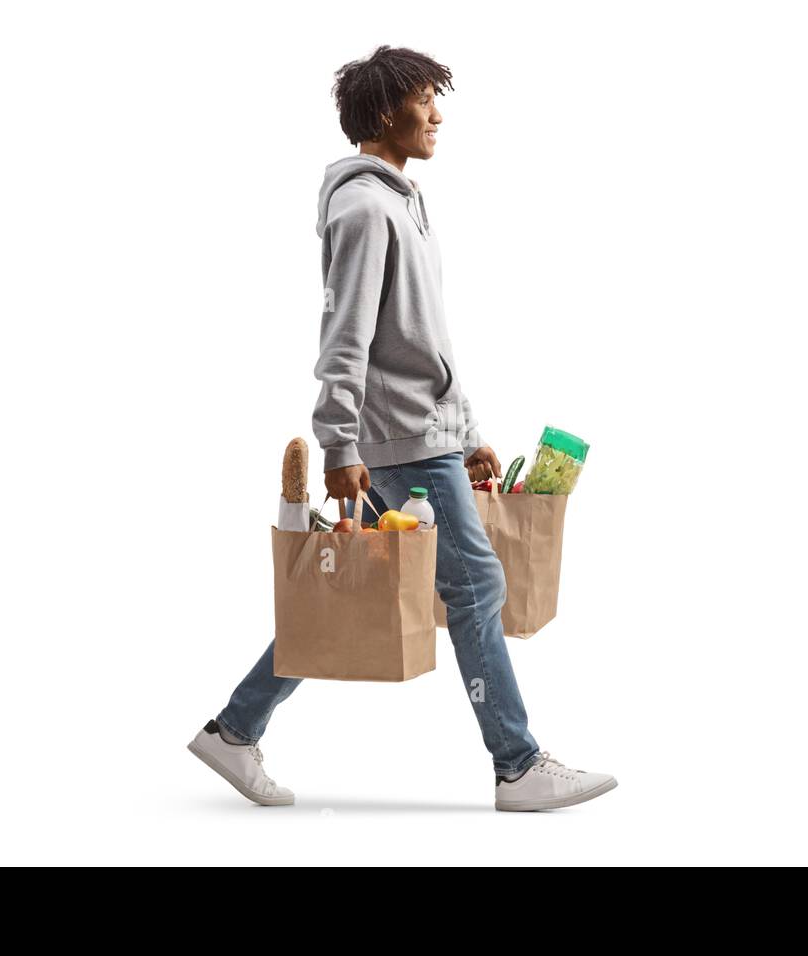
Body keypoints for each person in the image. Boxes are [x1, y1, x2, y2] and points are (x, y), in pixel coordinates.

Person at [188, 45, 617, 812]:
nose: (438, 114)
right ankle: (518, 767)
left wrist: (466, 427)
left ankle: (235, 729)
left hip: (428, 432)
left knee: (366, 590)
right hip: (397, 440)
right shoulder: (362, 207)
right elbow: (344, 339)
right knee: (476, 580)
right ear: (389, 111)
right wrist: (338, 445)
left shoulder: (403, 201)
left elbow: (423, 339)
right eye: (426, 100)